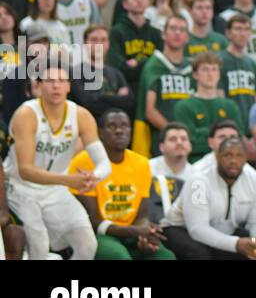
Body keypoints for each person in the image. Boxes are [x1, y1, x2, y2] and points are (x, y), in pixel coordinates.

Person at [3, 63, 106, 260]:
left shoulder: (82, 115)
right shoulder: (26, 114)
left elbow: (104, 165)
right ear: (38, 86)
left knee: (88, 245)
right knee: (39, 247)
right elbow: (26, 170)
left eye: (61, 81)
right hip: (20, 187)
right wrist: (69, 180)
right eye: (50, 81)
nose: (56, 86)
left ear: (69, 86)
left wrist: (94, 177)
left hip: (55, 188)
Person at [69, 109, 174, 260]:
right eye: (112, 126)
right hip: (98, 233)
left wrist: (144, 234)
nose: (119, 131)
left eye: (125, 126)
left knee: (165, 256)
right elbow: (91, 220)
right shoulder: (82, 162)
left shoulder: (142, 163)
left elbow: (142, 214)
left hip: (131, 231)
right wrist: (133, 231)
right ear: (100, 133)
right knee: (118, 256)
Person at [161, 136, 256, 260]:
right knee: (200, 254)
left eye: (239, 155)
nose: (233, 161)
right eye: (228, 155)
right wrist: (236, 244)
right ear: (217, 157)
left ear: (246, 158)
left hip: (222, 231)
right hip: (179, 229)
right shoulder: (198, 182)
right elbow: (197, 229)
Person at [136, 15, 194, 157]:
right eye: (173, 29)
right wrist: (174, 135)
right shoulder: (154, 65)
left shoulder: (193, 68)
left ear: (187, 37)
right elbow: (150, 111)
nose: (177, 33)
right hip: (161, 141)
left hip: (190, 141)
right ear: (163, 34)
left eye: (182, 30)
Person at [174, 52, 247, 161]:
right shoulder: (183, 106)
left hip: (228, 163)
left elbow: (238, 139)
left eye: (214, 69)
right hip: (195, 163)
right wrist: (223, 139)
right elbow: (189, 143)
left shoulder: (230, 106)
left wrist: (202, 132)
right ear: (195, 74)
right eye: (205, 69)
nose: (210, 74)